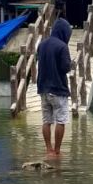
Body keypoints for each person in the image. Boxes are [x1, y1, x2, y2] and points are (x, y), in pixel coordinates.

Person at [36, 17, 72, 157]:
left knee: (46, 121)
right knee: (61, 121)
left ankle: (48, 149)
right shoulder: (62, 47)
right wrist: (71, 64)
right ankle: (57, 151)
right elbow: (65, 68)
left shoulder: (42, 45)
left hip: (43, 89)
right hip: (58, 89)